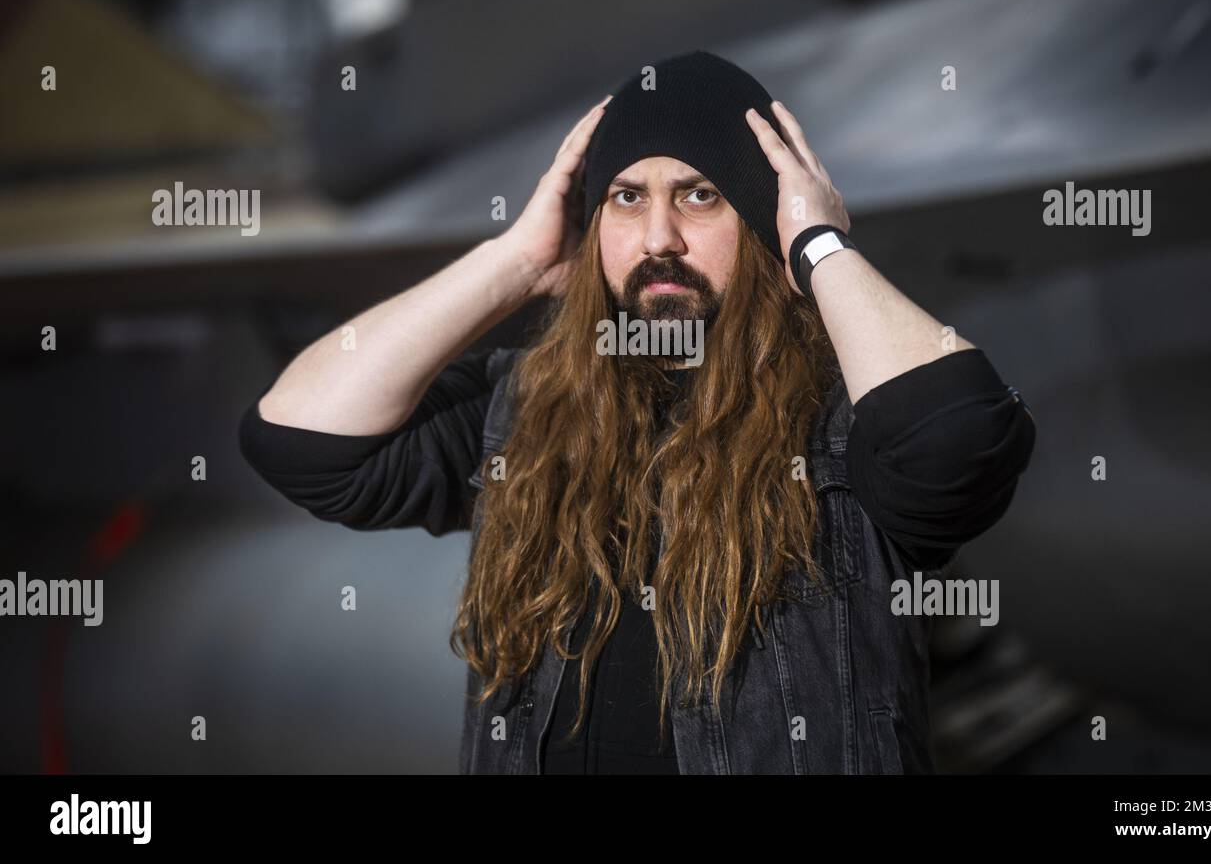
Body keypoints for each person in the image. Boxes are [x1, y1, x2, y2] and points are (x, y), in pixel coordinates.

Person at [239, 49, 1037, 774]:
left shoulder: (843, 417)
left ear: (759, 218)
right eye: (626, 198)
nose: (660, 237)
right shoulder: (523, 408)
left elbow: (959, 442)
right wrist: (513, 262)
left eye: (700, 195)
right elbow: (297, 440)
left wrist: (819, 243)